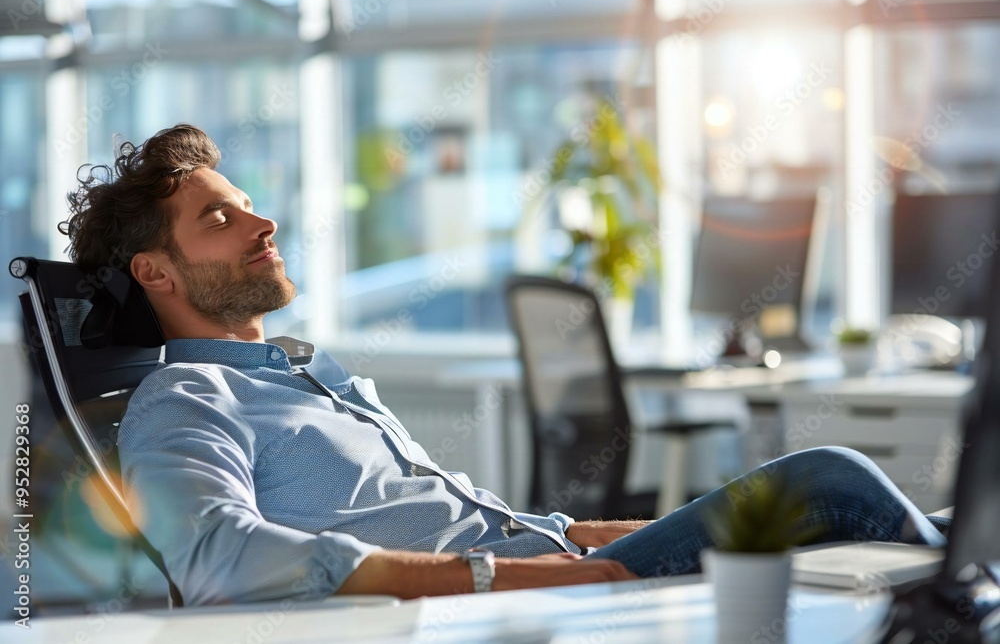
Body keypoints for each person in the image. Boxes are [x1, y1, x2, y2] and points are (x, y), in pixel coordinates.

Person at [59, 124, 947, 606]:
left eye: (250, 205)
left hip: (553, 556)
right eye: (220, 219)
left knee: (918, 515)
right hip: (519, 597)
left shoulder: (305, 371)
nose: (263, 224)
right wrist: (541, 574)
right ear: (156, 273)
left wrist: (598, 538)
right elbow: (218, 555)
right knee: (835, 478)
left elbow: (470, 519)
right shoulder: (182, 398)